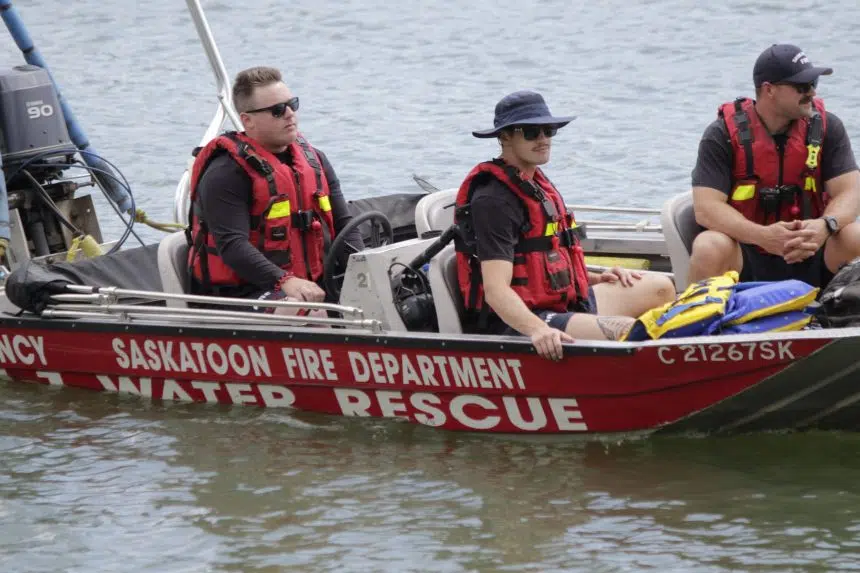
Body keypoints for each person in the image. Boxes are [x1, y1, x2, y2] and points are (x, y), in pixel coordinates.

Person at [454, 90, 676, 360]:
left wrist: (594, 278)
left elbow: (546, 258)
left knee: (661, 286)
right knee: (630, 332)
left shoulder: (533, 183)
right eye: (531, 132)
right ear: (505, 137)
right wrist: (537, 330)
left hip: (563, 304)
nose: (543, 139)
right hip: (522, 319)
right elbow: (496, 290)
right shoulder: (493, 201)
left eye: (548, 131)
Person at [187, 66, 363, 307]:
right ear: (247, 120)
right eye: (277, 110)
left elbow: (344, 223)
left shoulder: (316, 160)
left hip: (310, 283)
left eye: (292, 104)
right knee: (308, 312)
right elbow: (232, 246)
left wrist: (364, 269)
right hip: (242, 294)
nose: (290, 114)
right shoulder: (226, 173)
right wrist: (285, 281)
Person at [688, 44, 860, 287]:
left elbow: (850, 192)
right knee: (709, 246)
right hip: (747, 255)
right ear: (769, 90)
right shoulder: (721, 134)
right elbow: (706, 208)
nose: (811, 92)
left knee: (855, 236)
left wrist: (825, 226)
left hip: (812, 248)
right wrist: (763, 237)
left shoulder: (828, 127)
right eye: (801, 86)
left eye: (813, 84)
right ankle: (701, 321)